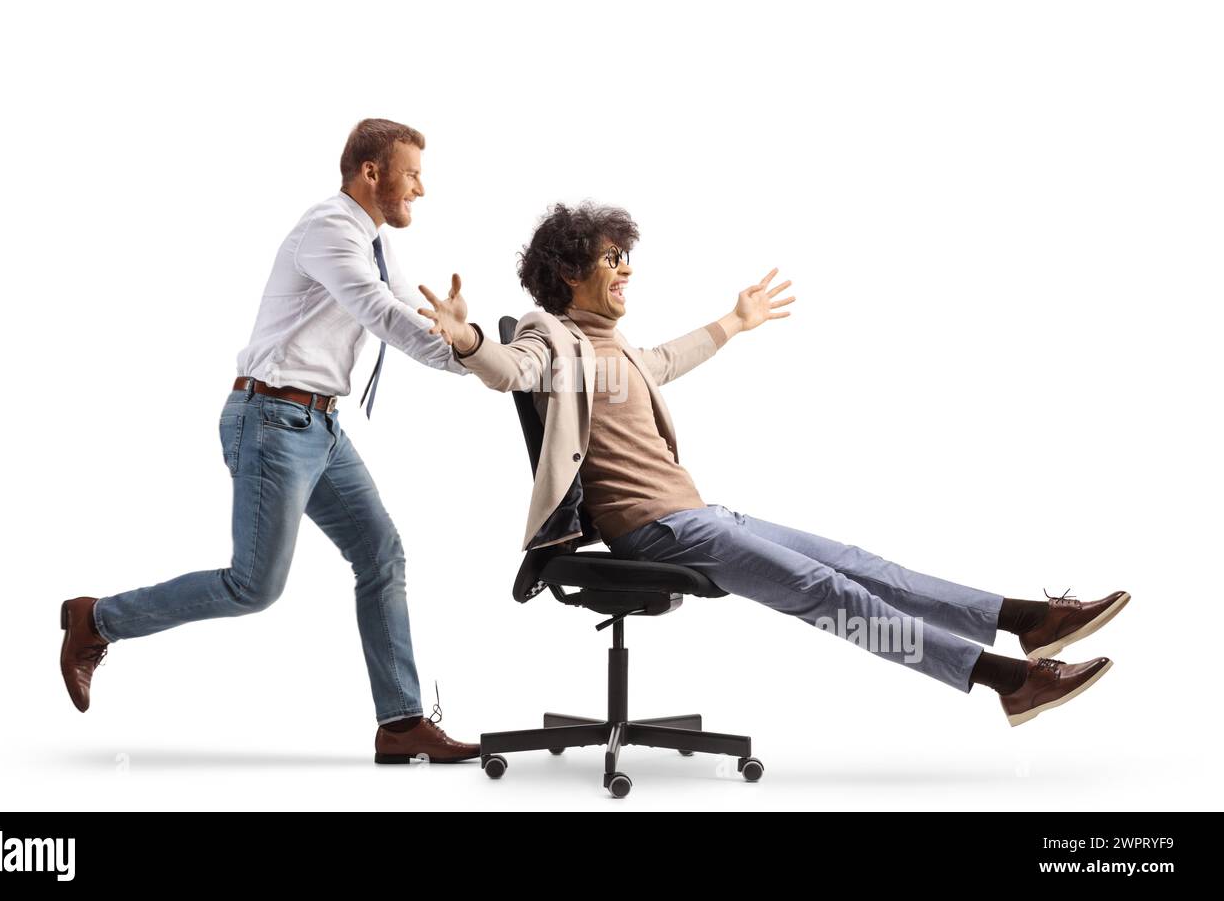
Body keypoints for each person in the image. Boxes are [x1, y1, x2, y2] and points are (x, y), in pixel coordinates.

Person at [417, 201, 1130, 727]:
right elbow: (511, 369)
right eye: (610, 258)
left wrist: (733, 322)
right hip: (656, 529)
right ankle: (1009, 679)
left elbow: (665, 361)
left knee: (861, 565)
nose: (626, 267)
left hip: (698, 514)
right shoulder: (553, 337)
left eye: (625, 256)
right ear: (569, 271)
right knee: (832, 595)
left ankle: (1027, 618)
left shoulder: (615, 345)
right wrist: (468, 339)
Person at [60, 118, 479, 762]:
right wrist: (476, 357)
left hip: (319, 424)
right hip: (272, 420)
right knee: (253, 587)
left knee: (382, 555)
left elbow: (412, 317)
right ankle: (98, 619)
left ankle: (400, 725)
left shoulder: (370, 241)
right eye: (413, 173)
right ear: (372, 173)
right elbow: (379, 313)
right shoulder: (330, 231)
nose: (421, 189)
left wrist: (481, 358)